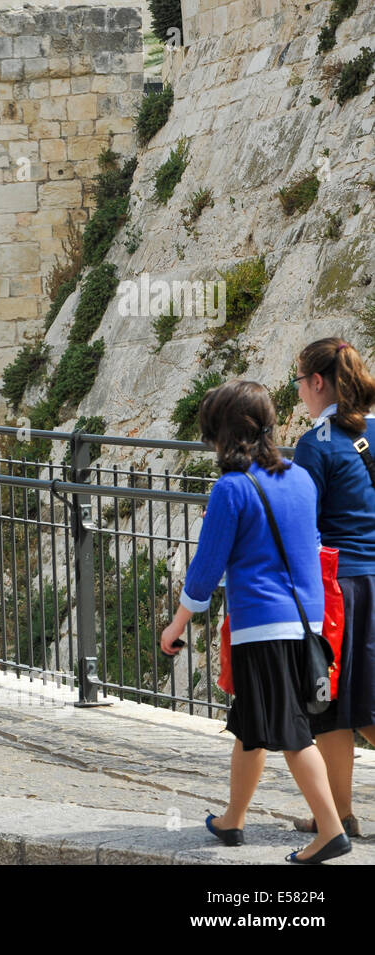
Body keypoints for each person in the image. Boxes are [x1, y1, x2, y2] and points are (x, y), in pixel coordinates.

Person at [160, 380, 350, 864]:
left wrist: (176, 625)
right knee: (250, 723)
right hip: (305, 623)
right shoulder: (301, 479)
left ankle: (330, 830)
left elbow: (206, 568)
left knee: (290, 732)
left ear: (222, 433)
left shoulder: (231, 488)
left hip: (262, 626)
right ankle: (233, 819)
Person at [289, 337, 375, 837]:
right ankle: (338, 815)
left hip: (340, 589)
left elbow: (303, 526)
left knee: (333, 702)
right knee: (367, 697)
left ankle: (339, 817)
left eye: (300, 382)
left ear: (317, 382)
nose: (300, 392)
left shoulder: (315, 443)